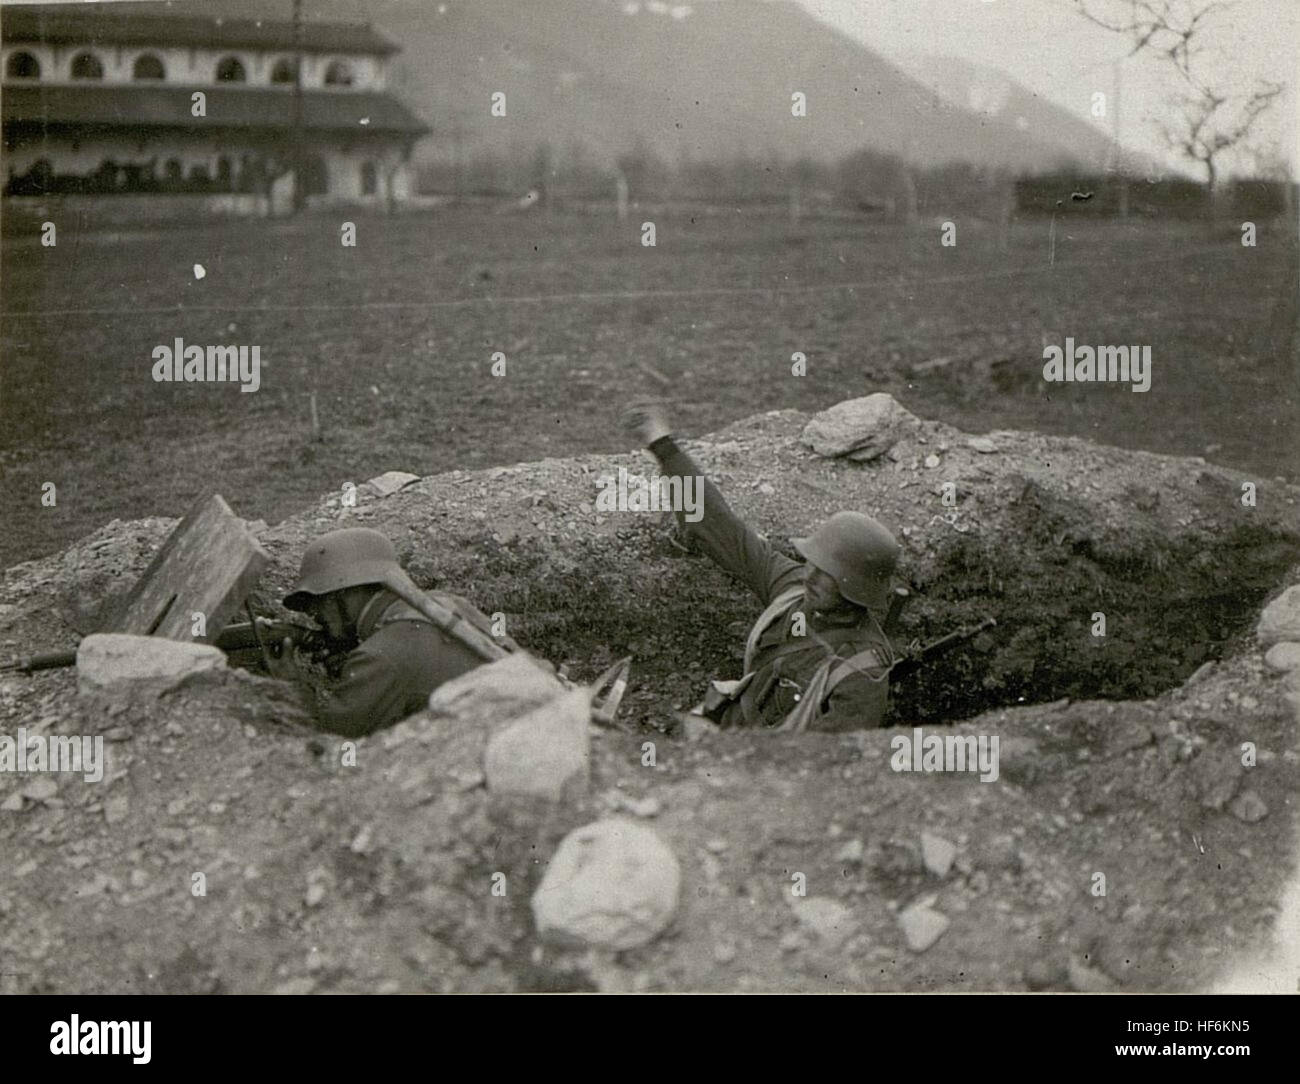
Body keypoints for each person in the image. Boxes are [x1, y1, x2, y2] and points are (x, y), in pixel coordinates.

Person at [623, 403, 901, 732]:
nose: (809, 576)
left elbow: (823, 765)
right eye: (812, 562)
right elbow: (718, 525)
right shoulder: (793, 590)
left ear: (854, 588)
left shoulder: (861, 675)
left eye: (825, 572)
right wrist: (663, 445)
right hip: (726, 728)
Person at [265, 528, 511, 737]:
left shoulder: (379, 657)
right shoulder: (445, 604)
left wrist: (292, 686)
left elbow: (329, 737)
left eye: (319, 599)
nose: (312, 613)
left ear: (347, 592)